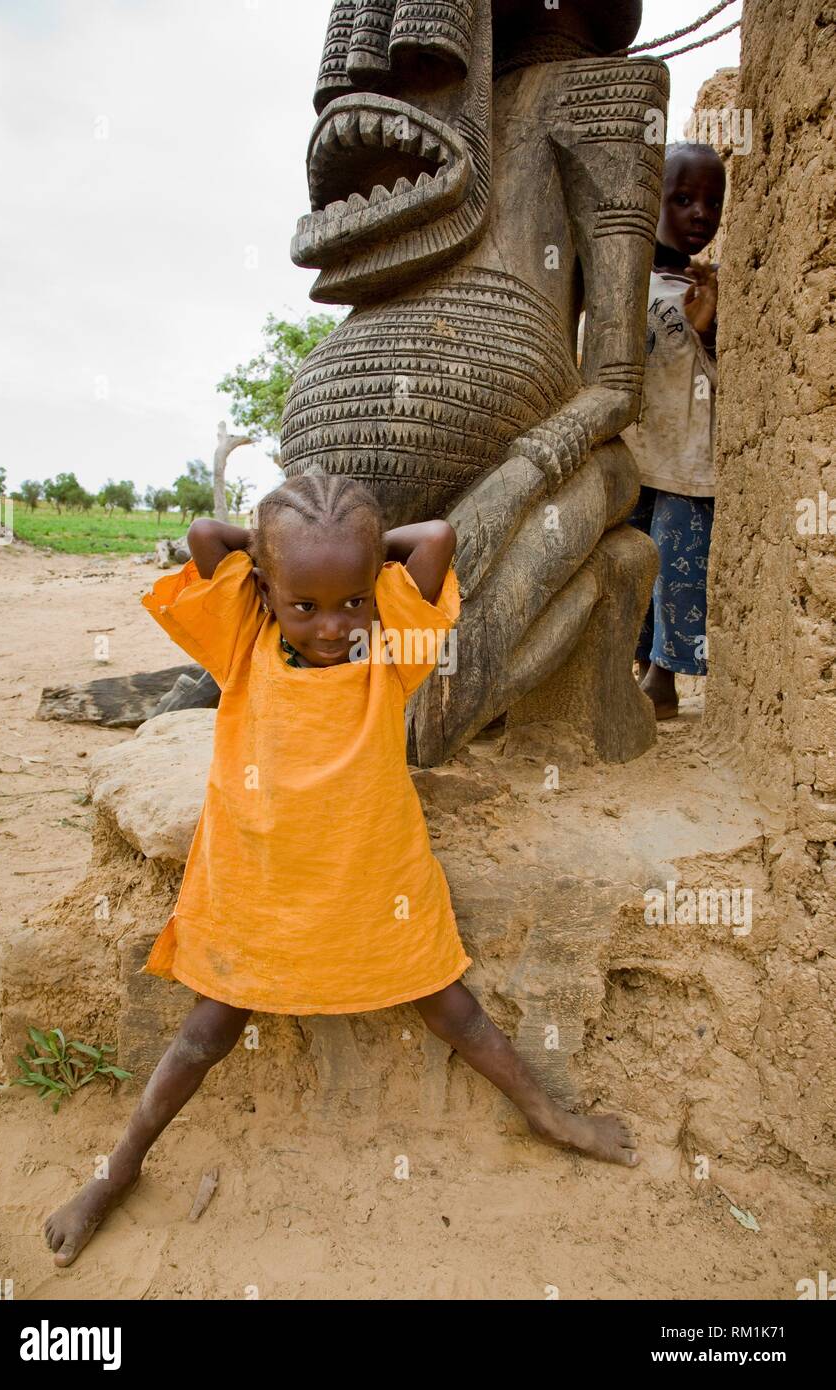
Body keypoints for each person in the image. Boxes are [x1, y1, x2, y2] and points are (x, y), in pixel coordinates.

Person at [44, 472, 638, 1267]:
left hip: (373, 886)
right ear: (261, 590)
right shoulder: (239, 639)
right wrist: (282, 556)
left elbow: (436, 539)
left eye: (352, 601)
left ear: (375, 593)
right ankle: (117, 1172)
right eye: (305, 604)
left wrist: (358, 560)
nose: (332, 627)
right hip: (257, 892)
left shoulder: (389, 650)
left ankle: (549, 1117)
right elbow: (202, 537)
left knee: (454, 1010)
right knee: (201, 1037)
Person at [624, 142, 726, 719]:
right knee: (635, 562)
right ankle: (641, 667)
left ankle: (664, 680)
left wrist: (706, 328)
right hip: (633, 453)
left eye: (713, 203)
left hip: (688, 459)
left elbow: (726, 371)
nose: (699, 215)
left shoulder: (708, 290)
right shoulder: (630, 282)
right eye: (683, 199)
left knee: (676, 566)